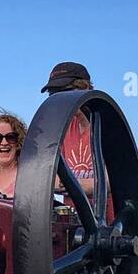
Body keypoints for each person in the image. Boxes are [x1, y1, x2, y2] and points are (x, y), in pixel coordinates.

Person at [42, 61, 95, 194]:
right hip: (71, 213)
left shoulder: (106, 126)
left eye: (64, 92)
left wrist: (70, 183)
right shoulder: (63, 130)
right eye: (53, 95)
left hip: (105, 214)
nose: (59, 100)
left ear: (85, 88)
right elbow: (48, 175)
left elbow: (111, 179)